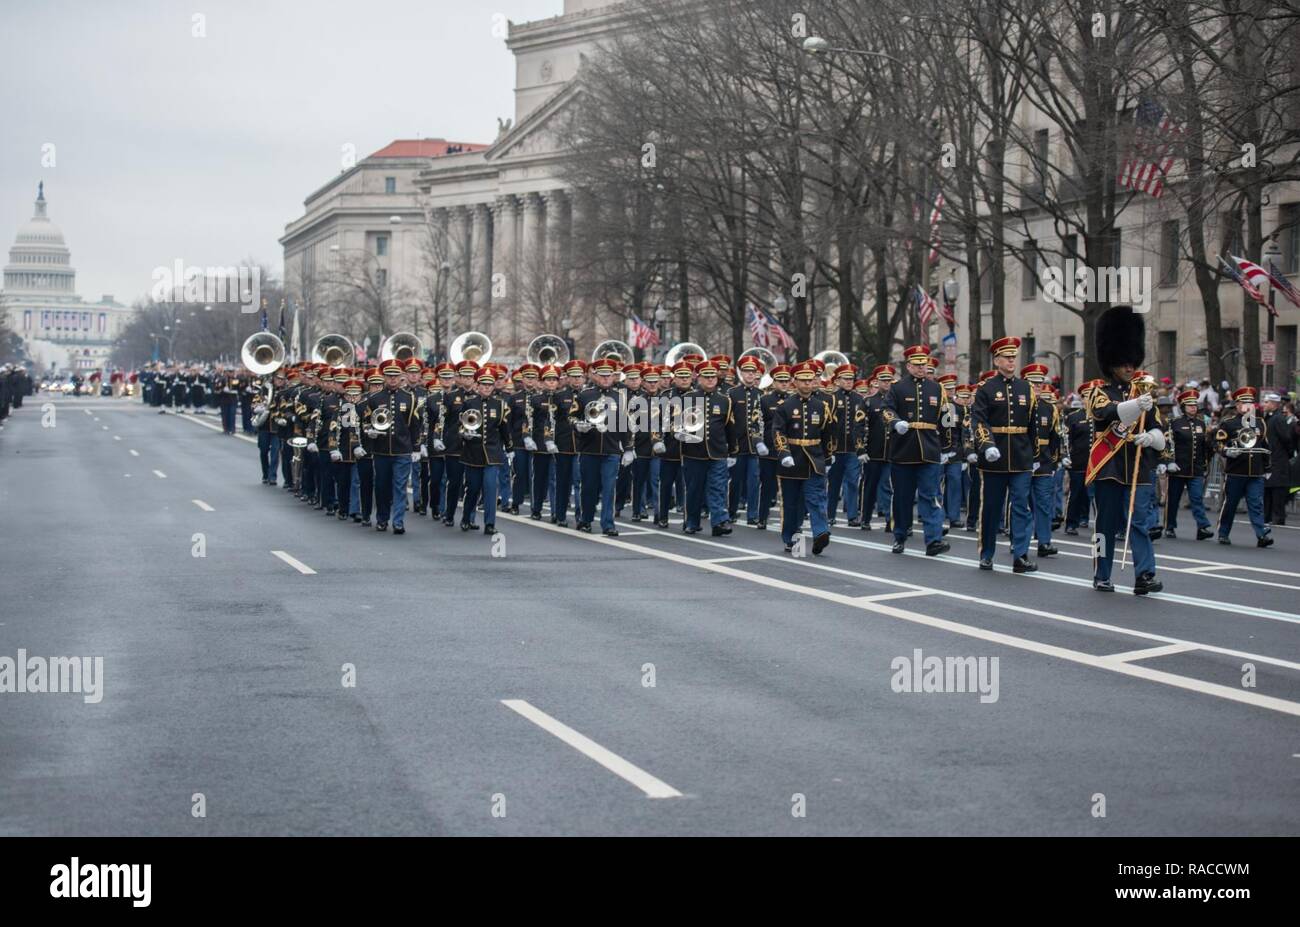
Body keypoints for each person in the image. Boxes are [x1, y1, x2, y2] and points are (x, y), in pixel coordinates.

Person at [1086, 306, 1164, 594]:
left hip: (1138, 466)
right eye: (1123, 362)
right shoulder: (1100, 392)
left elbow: (1160, 431)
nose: (1130, 366)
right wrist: (1134, 407)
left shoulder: (1143, 394)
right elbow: (1106, 413)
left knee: (1139, 524)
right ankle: (1101, 573)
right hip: (1110, 466)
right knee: (1104, 526)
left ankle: (1144, 574)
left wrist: (1151, 438)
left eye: (1132, 361)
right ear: (1112, 363)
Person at [970, 338, 1039, 573]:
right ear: (997, 360)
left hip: (1021, 457)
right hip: (994, 458)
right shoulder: (986, 389)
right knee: (991, 507)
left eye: (1013, 357)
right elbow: (978, 420)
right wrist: (986, 444)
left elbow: (1033, 425)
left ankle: (1020, 555)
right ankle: (986, 553)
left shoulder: (1026, 388)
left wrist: (1036, 455)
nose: (1011, 361)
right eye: (1006, 357)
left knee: (1021, 506)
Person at [880, 345, 949, 556]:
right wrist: (895, 422)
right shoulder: (898, 387)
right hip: (904, 450)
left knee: (930, 497)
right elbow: (886, 410)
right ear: (908, 366)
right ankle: (900, 536)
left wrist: (948, 447)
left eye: (924, 364)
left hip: (929, 449)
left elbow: (946, 418)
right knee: (903, 498)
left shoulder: (936, 388)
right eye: (917, 365)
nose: (921, 368)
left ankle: (933, 540)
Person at [773, 360, 834, 555]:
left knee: (816, 499)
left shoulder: (821, 406)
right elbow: (778, 431)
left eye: (810, 380)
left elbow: (828, 433)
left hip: (814, 459)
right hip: (792, 460)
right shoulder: (785, 406)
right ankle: (789, 537)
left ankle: (820, 534)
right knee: (791, 504)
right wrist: (783, 453)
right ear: (795, 382)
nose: (808, 384)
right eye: (803, 380)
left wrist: (829, 456)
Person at [361, 359, 422, 534]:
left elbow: (415, 425)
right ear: (384, 377)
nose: (393, 379)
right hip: (381, 450)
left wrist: (416, 448)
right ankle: (382, 519)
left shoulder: (409, 398)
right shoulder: (374, 398)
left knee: (400, 486)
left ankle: (398, 521)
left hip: (402, 449)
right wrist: (369, 431)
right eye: (389, 376)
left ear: (401, 376)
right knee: (381, 486)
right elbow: (365, 422)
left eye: (396, 376)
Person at [680, 357, 738, 537]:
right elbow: (674, 422)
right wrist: (677, 432)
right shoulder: (687, 398)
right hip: (693, 453)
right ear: (699, 378)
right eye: (707, 376)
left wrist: (733, 452)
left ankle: (720, 521)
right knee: (694, 489)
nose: (711, 379)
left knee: (718, 488)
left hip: (717, 452)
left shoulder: (724, 400)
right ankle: (692, 522)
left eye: (713, 376)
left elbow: (731, 428)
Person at [574, 357, 632, 536]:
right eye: (602, 375)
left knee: (609, 488)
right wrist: (578, 425)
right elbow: (572, 416)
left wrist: (629, 448)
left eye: (609, 375)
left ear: (614, 377)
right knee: (589, 487)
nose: (606, 378)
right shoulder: (585, 395)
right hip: (589, 449)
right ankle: (586, 520)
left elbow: (625, 424)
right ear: (595, 376)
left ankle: (608, 524)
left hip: (611, 449)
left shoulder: (620, 397)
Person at [1215, 386, 1273, 547]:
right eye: (1244, 402)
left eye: (1251, 402)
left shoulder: (1260, 423)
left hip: (1255, 472)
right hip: (1236, 471)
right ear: (1238, 405)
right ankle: (1223, 533)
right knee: (1231, 503)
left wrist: (1267, 468)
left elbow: (1265, 445)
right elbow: (1217, 444)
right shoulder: (1229, 424)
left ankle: (1262, 535)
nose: (1248, 406)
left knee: (1256, 503)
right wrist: (1226, 451)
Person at [1162, 388, 1214, 540]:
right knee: (1173, 499)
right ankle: (1170, 527)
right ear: (1183, 407)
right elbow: (1168, 444)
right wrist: (1169, 462)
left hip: (1196, 468)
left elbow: (1205, 447)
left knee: (1197, 498)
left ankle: (1202, 527)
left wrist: (1206, 460)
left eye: (1195, 405)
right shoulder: (1174, 423)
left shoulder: (1201, 424)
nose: (1193, 408)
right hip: (1178, 468)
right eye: (1190, 405)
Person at [1260, 391, 1296, 525]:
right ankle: (1267, 516)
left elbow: (1286, 438)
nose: (1264, 404)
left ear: (1274, 404)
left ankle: (1278, 517)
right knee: (1268, 489)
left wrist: (1287, 454)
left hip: (1278, 459)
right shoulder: (1269, 418)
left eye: (1267, 402)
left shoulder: (1278, 419)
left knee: (1277, 490)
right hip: (1270, 459)